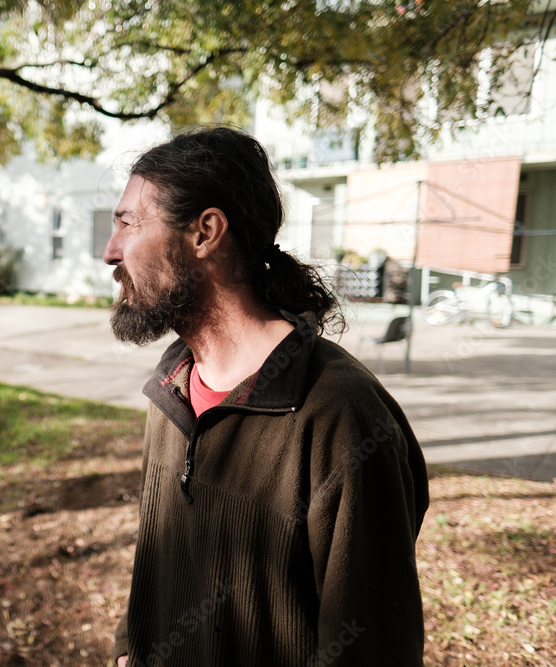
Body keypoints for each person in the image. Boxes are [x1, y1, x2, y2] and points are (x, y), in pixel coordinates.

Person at [105, 127, 429, 666]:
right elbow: (161, 560)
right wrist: (128, 648)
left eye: (127, 224)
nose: (111, 251)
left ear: (205, 232)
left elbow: (374, 647)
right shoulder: (173, 386)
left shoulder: (341, 418)